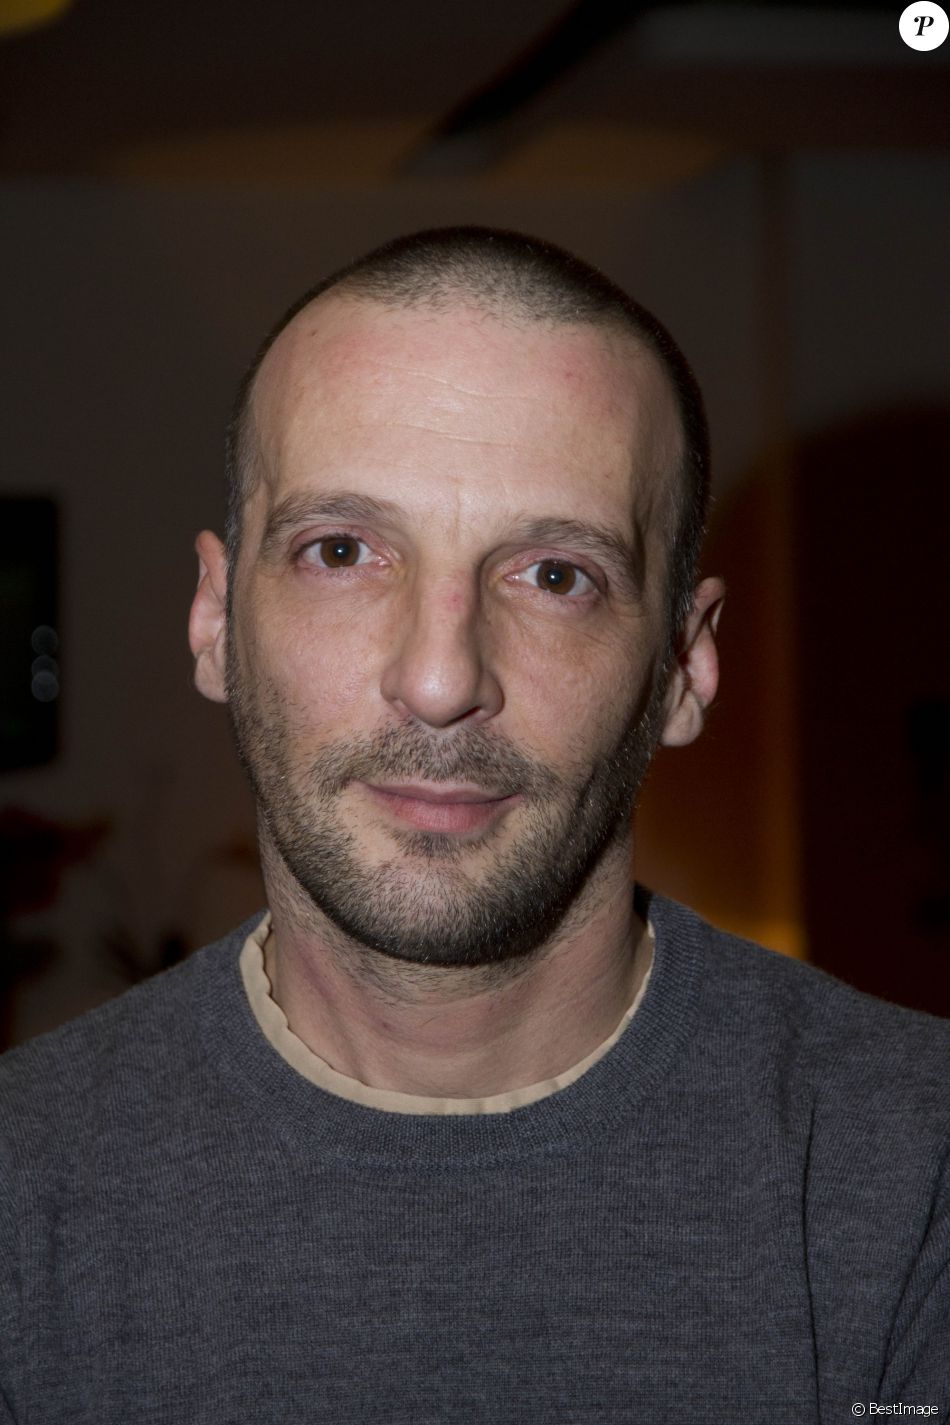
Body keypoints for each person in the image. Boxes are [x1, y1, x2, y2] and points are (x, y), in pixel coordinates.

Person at [1, 227, 948, 1424]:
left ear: (682, 666)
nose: (440, 678)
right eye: (340, 552)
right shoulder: (21, 1192)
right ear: (213, 620)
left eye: (554, 575)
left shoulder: (915, 1176)